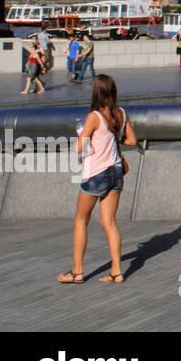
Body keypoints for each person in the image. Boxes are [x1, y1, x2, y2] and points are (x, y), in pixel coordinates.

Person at [58, 74, 137, 284]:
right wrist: (113, 140)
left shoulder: (94, 116)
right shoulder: (121, 113)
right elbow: (132, 140)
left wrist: (83, 135)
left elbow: (79, 149)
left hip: (96, 173)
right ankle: (117, 271)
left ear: (97, 93)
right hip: (116, 171)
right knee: (109, 222)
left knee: (81, 220)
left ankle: (77, 271)